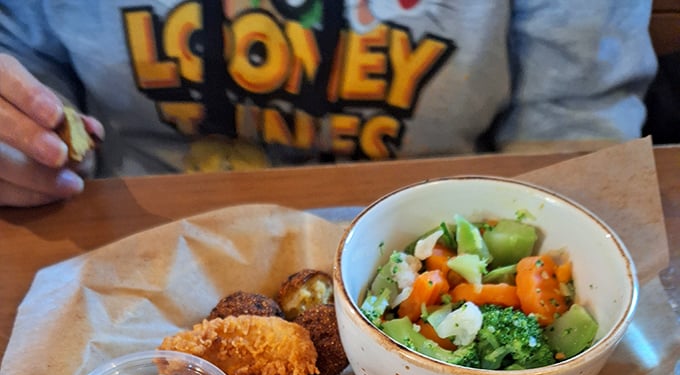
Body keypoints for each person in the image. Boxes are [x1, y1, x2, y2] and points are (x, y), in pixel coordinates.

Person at [0, 0, 657, 208]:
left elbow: (575, 127)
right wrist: (29, 130)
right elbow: (27, 54)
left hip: (447, 236)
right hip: (125, 236)